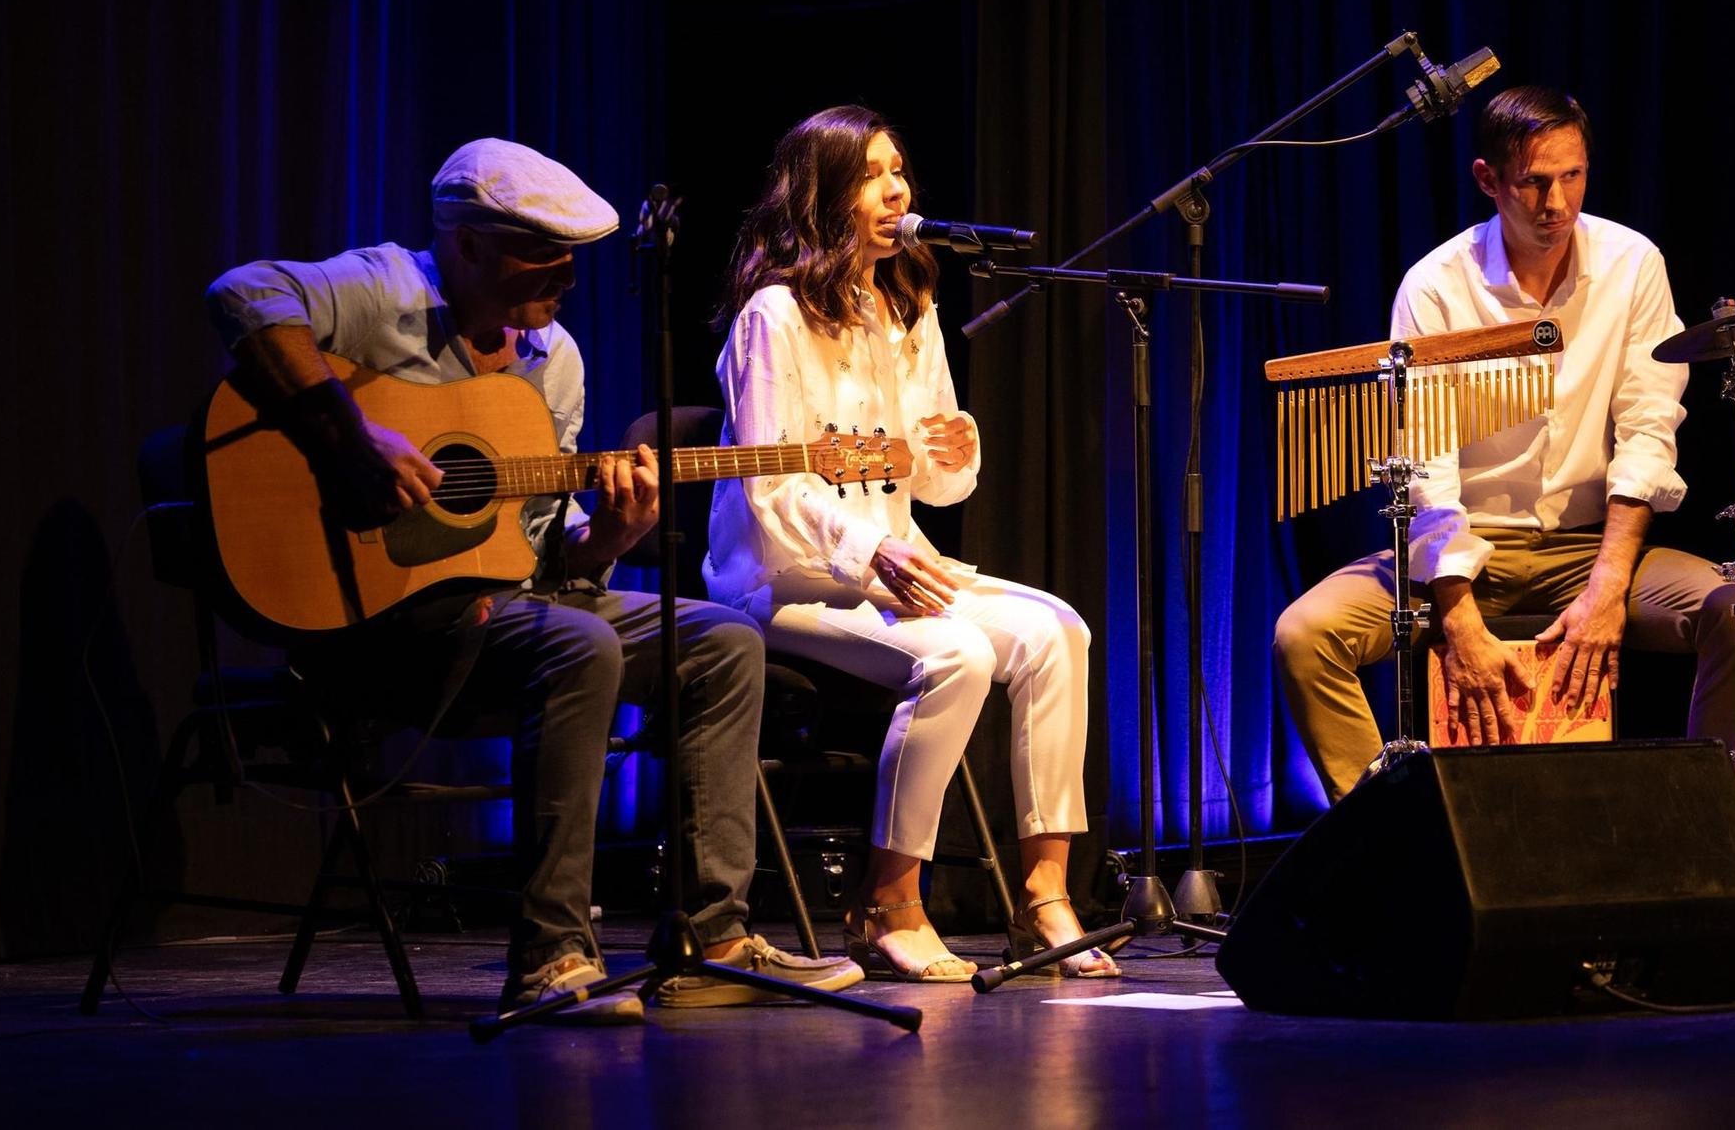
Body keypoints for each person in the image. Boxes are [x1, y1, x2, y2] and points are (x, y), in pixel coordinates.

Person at [205, 137, 862, 1019]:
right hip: (381, 624)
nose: (566, 274)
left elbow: (541, 556)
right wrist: (349, 437)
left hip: (509, 610)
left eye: (573, 255)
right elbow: (242, 294)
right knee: (578, 640)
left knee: (720, 638)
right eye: (539, 251)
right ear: (466, 244)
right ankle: (552, 957)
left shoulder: (554, 358)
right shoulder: (387, 287)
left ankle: (712, 938)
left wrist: (614, 535)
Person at [706, 105, 1117, 981]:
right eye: (872, 174)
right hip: (784, 580)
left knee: (1059, 631)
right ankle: (889, 898)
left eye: (901, 171)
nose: (896, 190)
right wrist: (872, 553)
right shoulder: (773, 317)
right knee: (960, 654)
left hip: (893, 567)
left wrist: (957, 453)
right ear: (823, 194)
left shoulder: (905, 305)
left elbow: (929, 479)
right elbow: (772, 487)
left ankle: (1044, 892)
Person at [1273, 87, 1735, 800]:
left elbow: (1646, 430)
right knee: (1304, 634)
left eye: (1572, 176)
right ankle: (1387, 844)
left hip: (1588, 548)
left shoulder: (1632, 264)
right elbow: (1425, 468)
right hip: (1460, 547)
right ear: (1488, 180)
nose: (1556, 201)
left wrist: (1606, 587)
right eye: (1535, 181)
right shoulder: (1438, 286)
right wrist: (1458, 613)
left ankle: (1705, 829)